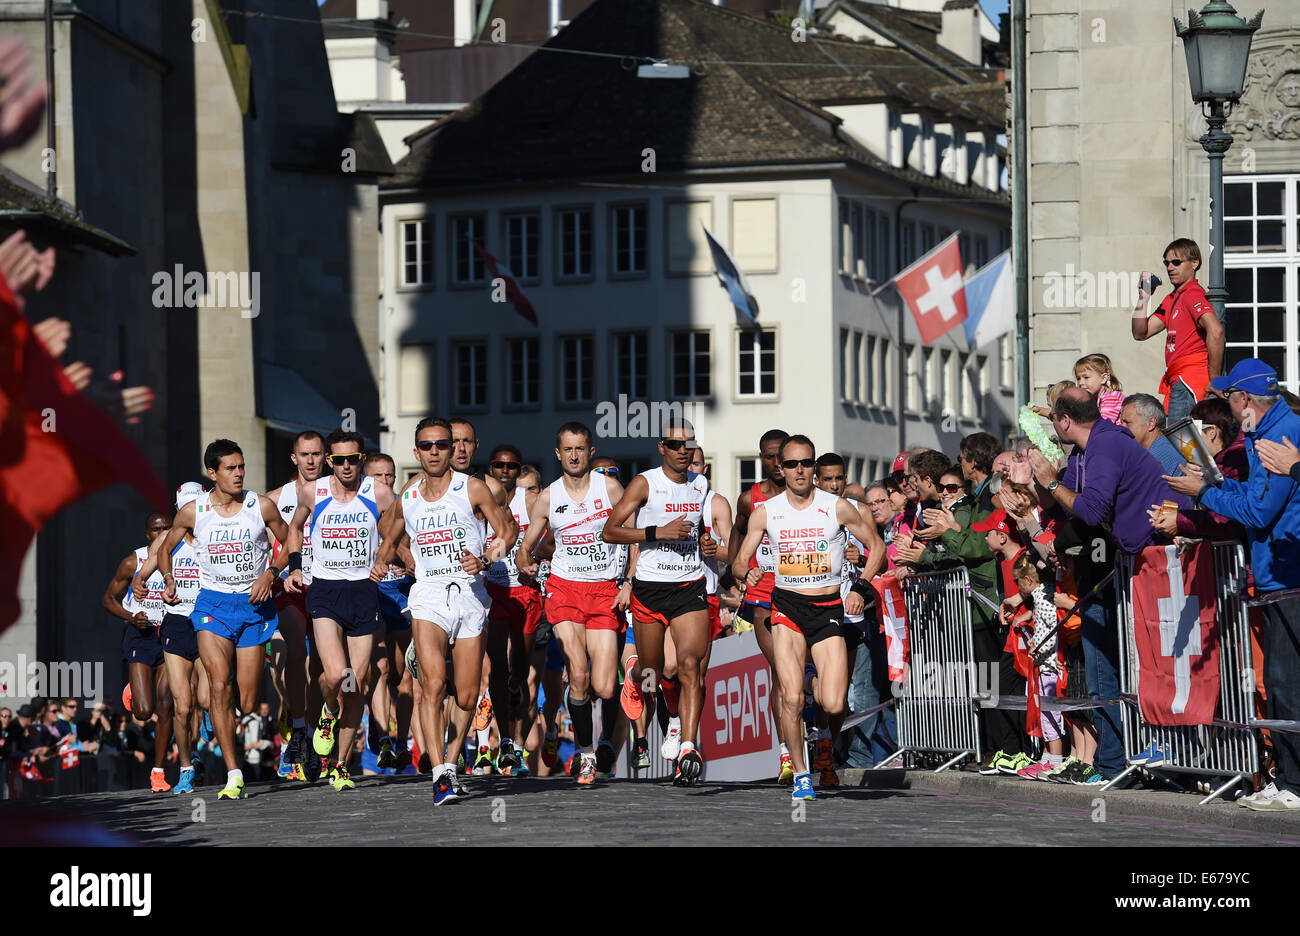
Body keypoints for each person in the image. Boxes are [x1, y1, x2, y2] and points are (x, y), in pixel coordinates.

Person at [1029, 387, 1191, 779]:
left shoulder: (1105, 445)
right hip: (1131, 559)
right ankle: (1112, 762)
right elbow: (1075, 508)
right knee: (1112, 664)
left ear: (1066, 420)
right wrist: (1043, 485)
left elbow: (1090, 508)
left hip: (1156, 558)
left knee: (1147, 662)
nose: (1053, 424)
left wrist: (1052, 482)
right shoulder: (1089, 449)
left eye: (1053, 417)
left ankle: (1138, 762)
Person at [1163, 359, 1300, 810]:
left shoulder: (1280, 434)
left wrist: (1202, 494)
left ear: (1243, 400)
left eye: (1228, 398)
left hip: (1289, 577)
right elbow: (1254, 499)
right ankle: (1289, 782)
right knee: (1281, 682)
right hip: (1279, 576)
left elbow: (1260, 514)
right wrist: (1209, 485)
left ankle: (1294, 786)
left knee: (1284, 682)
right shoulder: (1269, 431)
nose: (1226, 406)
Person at [733, 435, 884, 802]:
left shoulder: (839, 507)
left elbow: (877, 547)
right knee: (791, 696)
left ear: (814, 467)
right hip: (786, 607)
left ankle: (819, 724)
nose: (800, 470)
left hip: (828, 608)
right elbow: (739, 560)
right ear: (781, 469)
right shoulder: (767, 511)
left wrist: (860, 588)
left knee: (833, 703)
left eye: (806, 463)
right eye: (792, 464)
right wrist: (745, 573)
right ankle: (801, 773)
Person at [374, 417, 513, 806]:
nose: (434, 451)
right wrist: (383, 561)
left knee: (467, 695)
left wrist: (487, 558)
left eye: (441, 444)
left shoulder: (471, 487)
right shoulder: (410, 495)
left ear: (451, 449)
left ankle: (451, 763)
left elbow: (508, 532)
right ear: (416, 451)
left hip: (470, 595)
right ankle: (438, 775)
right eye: (426, 445)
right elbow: (391, 535)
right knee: (432, 684)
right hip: (429, 595)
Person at [157, 438, 292, 801]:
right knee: (219, 685)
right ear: (212, 473)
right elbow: (165, 550)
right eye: (231, 468)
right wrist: (168, 580)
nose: (238, 474)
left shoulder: (259, 505)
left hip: (253, 607)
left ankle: (227, 718)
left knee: (246, 702)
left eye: (241, 467)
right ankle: (234, 774)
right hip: (211, 607)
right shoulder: (193, 511)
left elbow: (290, 540)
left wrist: (272, 573)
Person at [284, 428, 396, 792]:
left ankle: (341, 765)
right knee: (336, 675)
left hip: (363, 591)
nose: (346, 466)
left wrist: (384, 558)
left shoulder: (377, 492)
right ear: (329, 461)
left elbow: (397, 532)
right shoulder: (311, 492)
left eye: (353, 459)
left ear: (362, 459)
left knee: (358, 685)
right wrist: (297, 565)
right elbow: (294, 528)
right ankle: (327, 714)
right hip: (326, 591)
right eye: (338, 460)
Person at [517, 422, 627, 786]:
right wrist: (523, 561)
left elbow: (635, 538)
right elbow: (527, 543)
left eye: (581, 449)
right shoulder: (548, 496)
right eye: (568, 449)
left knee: (606, 687)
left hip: (603, 591)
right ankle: (586, 754)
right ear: (558, 454)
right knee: (578, 672)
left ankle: (581, 709)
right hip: (565, 591)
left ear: (590, 452)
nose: (575, 455)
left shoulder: (609, 488)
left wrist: (628, 582)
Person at [603, 420, 713, 785]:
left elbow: (698, 533)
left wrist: (707, 546)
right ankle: (633, 678)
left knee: (689, 665)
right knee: (652, 674)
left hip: (689, 587)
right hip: (650, 589)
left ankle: (688, 745)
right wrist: (657, 533)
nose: (683, 450)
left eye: (688, 444)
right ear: (661, 447)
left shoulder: (701, 485)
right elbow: (610, 530)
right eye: (674, 444)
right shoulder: (645, 483)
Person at [133, 481, 210, 794]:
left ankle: (210, 746)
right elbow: (147, 568)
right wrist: (140, 582)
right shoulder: (168, 539)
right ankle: (187, 769)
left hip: (208, 622)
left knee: (207, 698)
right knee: (182, 705)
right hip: (177, 623)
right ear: (179, 509)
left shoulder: (212, 533)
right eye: (186, 507)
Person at [730, 428, 795, 783]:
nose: (775, 464)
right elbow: (738, 533)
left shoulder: (806, 496)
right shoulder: (749, 499)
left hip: (805, 594)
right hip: (764, 597)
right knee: (782, 674)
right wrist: (737, 568)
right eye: (768, 457)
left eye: (780, 457)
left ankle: (814, 737)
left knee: (803, 678)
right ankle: (786, 754)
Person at [101, 512, 174, 793]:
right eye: (157, 529)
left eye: (168, 527)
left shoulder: (182, 557)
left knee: (166, 703)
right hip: (140, 634)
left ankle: (158, 771)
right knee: (144, 712)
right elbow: (107, 600)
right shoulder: (133, 561)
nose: (163, 532)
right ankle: (135, 685)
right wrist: (132, 617)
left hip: (168, 633)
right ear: (148, 535)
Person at [265, 430, 324, 779]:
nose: (311, 461)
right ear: (294, 458)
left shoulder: (339, 492)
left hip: (330, 588)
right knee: (292, 658)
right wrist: (276, 575)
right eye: (305, 455)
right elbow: (262, 547)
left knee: (325, 672)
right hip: (290, 588)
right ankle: (300, 727)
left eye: (317, 454)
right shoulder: (274, 499)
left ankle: (316, 729)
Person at [482, 443, 543, 776]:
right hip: (493, 589)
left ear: (518, 470)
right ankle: (507, 742)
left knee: (520, 670)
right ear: (491, 468)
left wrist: (535, 556)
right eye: (498, 466)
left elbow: (550, 536)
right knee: (498, 665)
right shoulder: (479, 497)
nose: (504, 472)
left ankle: (515, 730)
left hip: (526, 592)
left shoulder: (530, 500)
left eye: (511, 467)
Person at [1131, 238, 1225, 421]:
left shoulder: (1192, 294)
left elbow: (1216, 331)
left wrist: (1215, 379)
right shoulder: (1173, 298)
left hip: (1189, 380)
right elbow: (1140, 333)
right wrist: (1144, 297)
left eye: (1176, 262)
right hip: (1178, 379)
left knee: (1181, 445)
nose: (1170, 268)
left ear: (1194, 263)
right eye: (1167, 263)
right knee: (1184, 444)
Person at [364, 453, 415, 771]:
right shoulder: (359, 508)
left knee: (403, 676)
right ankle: (384, 739)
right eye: (378, 477)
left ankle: (401, 741)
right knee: (380, 669)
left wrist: (400, 550)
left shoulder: (406, 505)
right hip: (374, 594)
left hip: (404, 593)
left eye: (390, 476)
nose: (385, 482)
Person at [1120, 393, 1185, 475]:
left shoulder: (1158, 456)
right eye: (1121, 423)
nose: (1121, 428)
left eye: (1127, 423)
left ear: (1151, 423)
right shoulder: (1158, 447)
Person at [1074, 353, 1124, 424]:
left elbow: (1104, 423)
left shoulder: (1112, 396)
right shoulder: (1095, 398)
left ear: (1103, 378)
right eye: (1078, 378)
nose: (1081, 382)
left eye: (1086, 377)